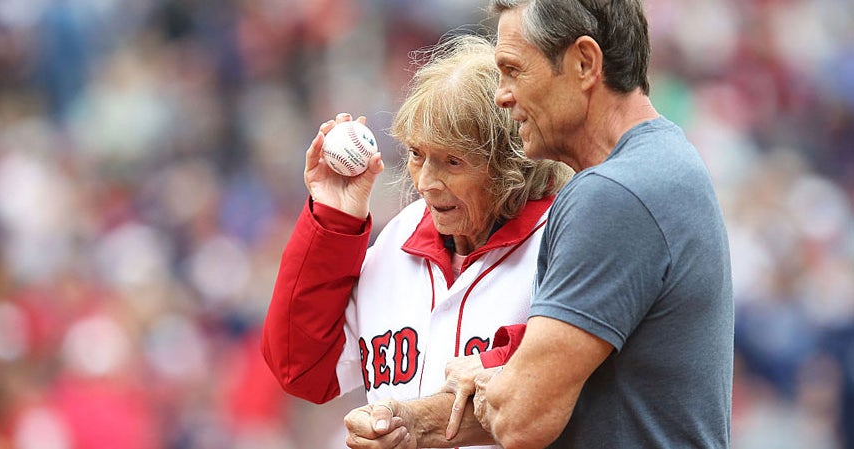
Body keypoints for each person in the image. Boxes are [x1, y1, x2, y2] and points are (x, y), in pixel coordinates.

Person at [343, 1, 734, 448]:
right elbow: (558, 392)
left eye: (513, 70)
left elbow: (520, 418)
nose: (502, 94)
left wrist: (496, 376)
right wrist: (413, 424)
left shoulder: (613, 194)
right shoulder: (667, 162)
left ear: (584, 63)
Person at [260, 33, 572, 449]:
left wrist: (414, 421)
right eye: (417, 154)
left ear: (509, 164)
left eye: (452, 161)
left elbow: (556, 375)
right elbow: (301, 369)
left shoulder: (562, 236)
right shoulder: (400, 238)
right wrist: (332, 220)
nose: (425, 182)